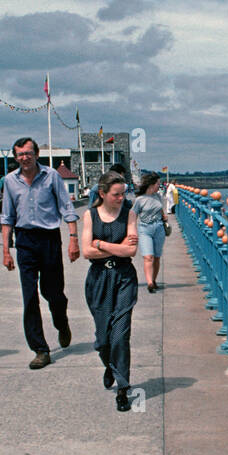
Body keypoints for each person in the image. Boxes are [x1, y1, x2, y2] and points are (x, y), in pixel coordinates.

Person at [1, 137, 80, 369]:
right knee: (29, 296)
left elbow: (67, 207)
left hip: (49, 239)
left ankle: (61, 323)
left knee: (53, 293)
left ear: (36, 154)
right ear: (15, 158)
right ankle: (40, 349)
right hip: (24, 240)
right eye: (19, 155)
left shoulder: (52, 176)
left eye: (28, 153)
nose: (24, 158)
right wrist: (6, 250)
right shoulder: (10, 181)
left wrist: (73, 239)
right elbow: (7, 217)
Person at [82, 171, 139, 411]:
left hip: (124, 278)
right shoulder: (89, 215)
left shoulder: (130, 214)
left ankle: (123, 388)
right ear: (102, 193)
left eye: (123, 193)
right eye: (116, 194)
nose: (121, 197)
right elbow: (86, 252)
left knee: (119, 335)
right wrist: (116, 247)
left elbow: (131, 252)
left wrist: (101, 244)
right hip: (98, 280)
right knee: (103, 338)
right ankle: (110, 366)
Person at [131, 171, 167, 292]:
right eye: (158, 183)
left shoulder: (158, 196)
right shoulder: (140, 200)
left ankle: (154, 279)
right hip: (145, 229)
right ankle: (149, 283)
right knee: (148, 256)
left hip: (159, 228)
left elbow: (160, 209)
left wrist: (164, 216)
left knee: (156, 257)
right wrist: (132, 230)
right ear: (151, 185)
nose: (159, 186)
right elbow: (133, 215)